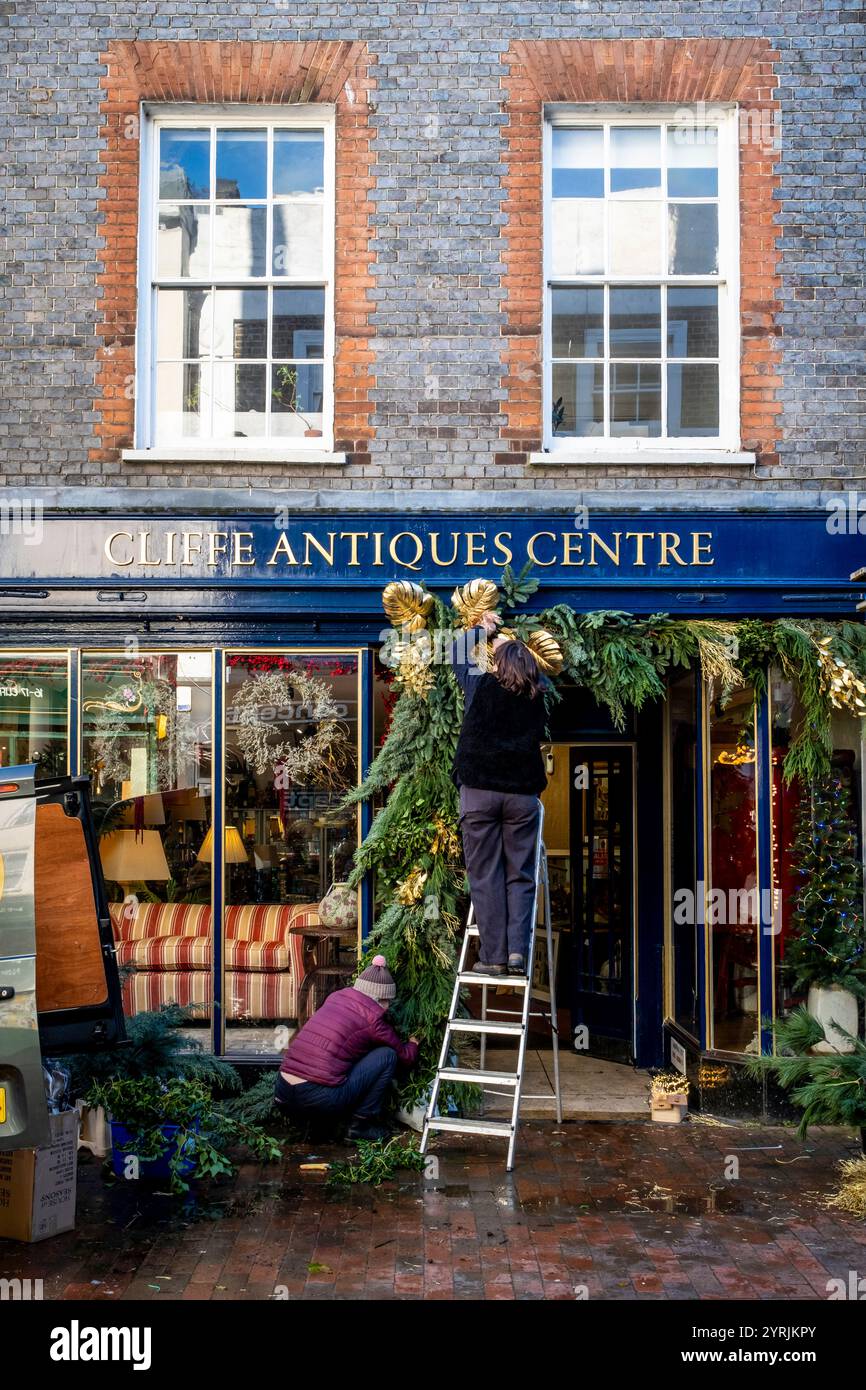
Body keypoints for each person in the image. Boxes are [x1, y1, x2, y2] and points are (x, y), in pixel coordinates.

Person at [448, 612, 547, 978]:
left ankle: (494, 957)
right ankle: (519, 953)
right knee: (520, 874)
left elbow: (456, 651)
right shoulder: (539, 694)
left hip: (479, 792)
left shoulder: (480, 686)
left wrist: (484, 631)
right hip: (522, 795)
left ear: (497, 662)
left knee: (486, 874)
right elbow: (536, 674)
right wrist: (515, 647)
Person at [274, 954, 419, 1141]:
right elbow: (405, 1057)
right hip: (318, 1099)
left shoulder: (335, 997)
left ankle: (313, 1126)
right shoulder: (374, 1019)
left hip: (282, 1095)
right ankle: (360, 1126)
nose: (388, 1007)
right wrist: (414, 1043)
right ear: (381, 999)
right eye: (388, 1001)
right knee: (387, 1055)